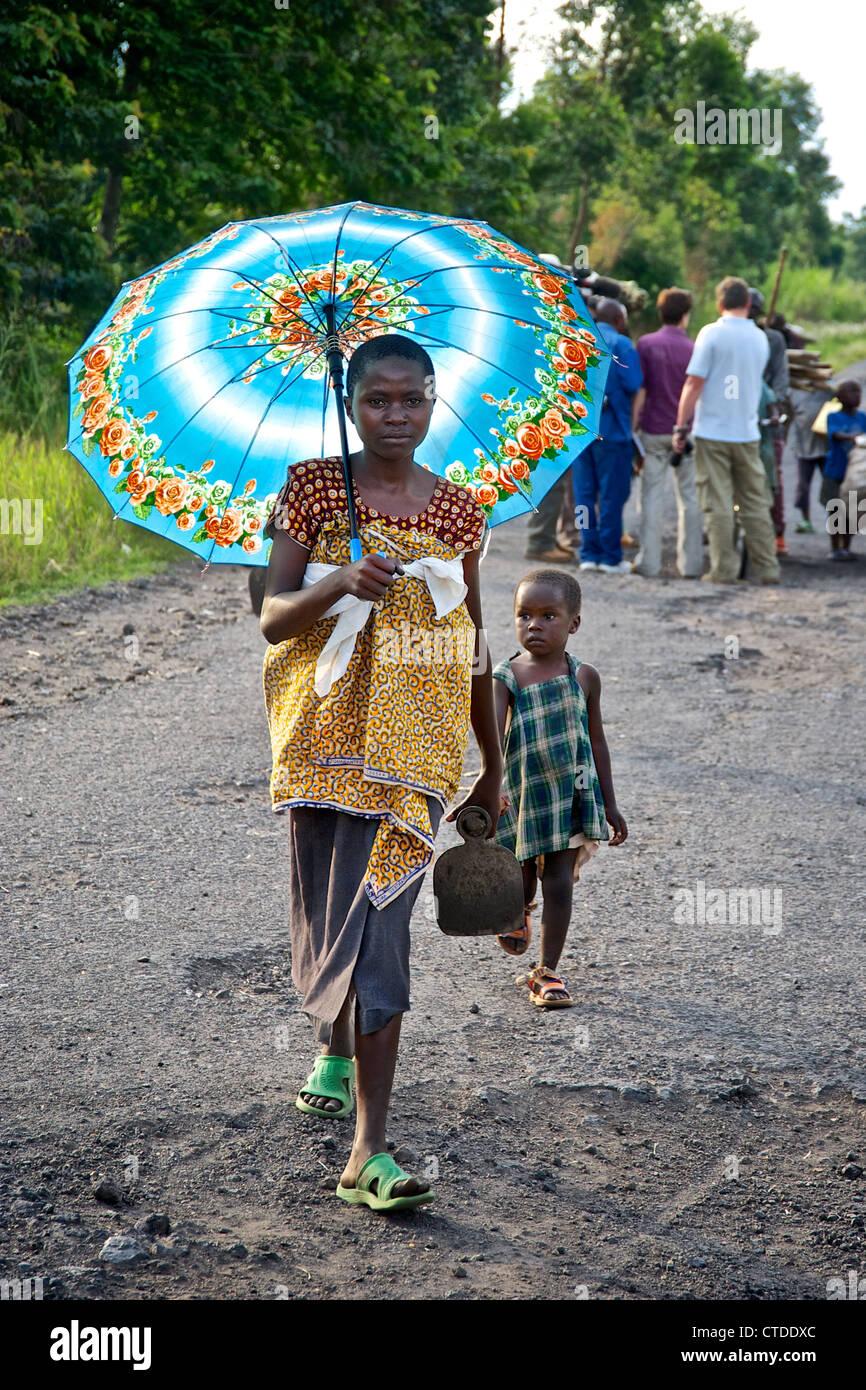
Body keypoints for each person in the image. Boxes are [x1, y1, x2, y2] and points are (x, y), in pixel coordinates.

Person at [260, 334, 502, 1212]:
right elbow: (273, 619)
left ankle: (369, 1149)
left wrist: (494, 764)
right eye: (377, 401)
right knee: (335, 910)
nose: (396, 416)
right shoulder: (315, 488)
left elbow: (472, 639)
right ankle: (332, 1044)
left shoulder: (462, 510)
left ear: (435, 402)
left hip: (420, 752)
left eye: (413, 399)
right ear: (352, 403)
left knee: (381, 927)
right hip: (324, 738)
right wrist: (337, 585)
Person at [490, 569, 627, 1007]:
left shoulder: (584, 677)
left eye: (549, 615)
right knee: (522, 876)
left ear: (573, 623)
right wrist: (488, 790)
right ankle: (518, 912)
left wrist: (609, 802)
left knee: (561, 882)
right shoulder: (505, 677)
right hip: (525, 797)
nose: (534, 624)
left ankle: (547, 971)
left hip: (570, 795)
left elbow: (598, 741)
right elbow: (491, 739)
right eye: (524, 615)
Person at [672, 276, 780, 585]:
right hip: (747, 433)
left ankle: (723, 571)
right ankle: (768, 569)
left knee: (717, 504)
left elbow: (694, 382)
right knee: (756, 504)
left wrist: (681, 425)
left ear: (720, 305)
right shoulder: (760, 338)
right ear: (748, 304)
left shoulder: (711, 334)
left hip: (713, 432)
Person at [631, 287, 702, 578]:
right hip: (686, 432)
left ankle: (649, 562)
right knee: (690, 499)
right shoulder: (695, 347)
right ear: (685, 316)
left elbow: (642, 390)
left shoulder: (646, 344)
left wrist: (634, 425)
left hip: (652, 430)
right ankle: (692, 564)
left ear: (661, 313)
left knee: (651, 497)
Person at [573, 298, 643, 574]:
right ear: (619, 320)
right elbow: (635, 384)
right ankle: (611, 557)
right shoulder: (623, 345)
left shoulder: (577, 339)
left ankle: (588, 554)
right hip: (613, 433)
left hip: (580, 433)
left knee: (584, 495)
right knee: (612, 495)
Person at [749, 288, 790, 556]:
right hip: (733, 418)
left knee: (773, 477)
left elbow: (781, 380)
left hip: (766, 418)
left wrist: (773, 404)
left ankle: (777, 534)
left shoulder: (773, 339)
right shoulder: (725, 335)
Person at [822, 379, 866, 562]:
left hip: (855, 474)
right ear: (840, 396)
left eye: (858, 392)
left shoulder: (862, 417)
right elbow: (836, 434)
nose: (857, 396)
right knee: (835, 510)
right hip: (837, 471)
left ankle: (846, 547)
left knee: (853, 510)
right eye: (852, 392)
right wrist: (854, 438)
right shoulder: (833, 417)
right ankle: (835, 548)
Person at [789, 382, 835, 532]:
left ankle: (834, 521)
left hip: (825, 446)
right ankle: (806, 520)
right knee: (803, 486)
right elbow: (789, 416)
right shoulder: (794, 390)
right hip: (804, 446)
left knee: (831, 485)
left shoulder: (827, 388)